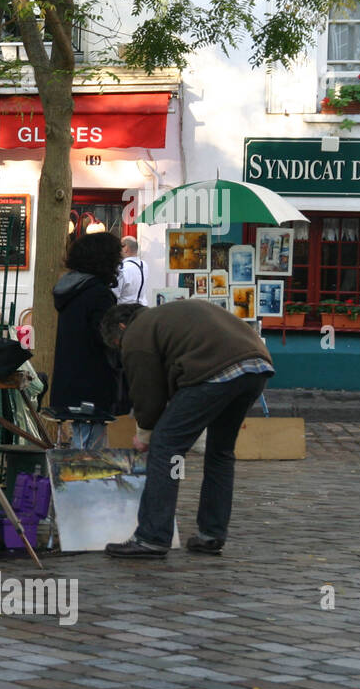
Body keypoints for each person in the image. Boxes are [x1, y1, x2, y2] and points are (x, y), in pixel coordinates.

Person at [98, 299, 274, 558]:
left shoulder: (137, 333)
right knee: (220, 452)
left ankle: (151, 537)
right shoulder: (168, 317)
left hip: (216, 372)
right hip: (255, 367)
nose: (121, 350)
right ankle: (211, 534)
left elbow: (147, 392)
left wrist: (145, 434)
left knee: (165, 446)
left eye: (117, 346)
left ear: (121, 327)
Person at [51, 231, 122, 450]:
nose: (119, 263)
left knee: (82, 439)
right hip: (92, 380)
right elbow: (106, 337)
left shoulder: (71, 289)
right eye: (117, 257)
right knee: (90, 448)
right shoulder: (98, 294)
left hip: (69, 379)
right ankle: (83, 483)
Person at [116, 235, 149, 305]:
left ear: (125, 248)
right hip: (142, 309)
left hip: (125, 310)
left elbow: (115, 293)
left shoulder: (123, 268)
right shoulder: (144, 265)